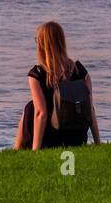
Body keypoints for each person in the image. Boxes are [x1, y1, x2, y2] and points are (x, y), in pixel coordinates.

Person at [13, 21, 102, 150]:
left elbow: (41, 113)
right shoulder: (81, 71)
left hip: (51, 138)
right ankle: (15, 149)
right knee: (31, 107)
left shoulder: (37, 74)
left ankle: (17, 148)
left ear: (42, 44)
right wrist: (97, 143)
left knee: (31, 107)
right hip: (77, 138)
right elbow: (90, 109)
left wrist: (35, 150)